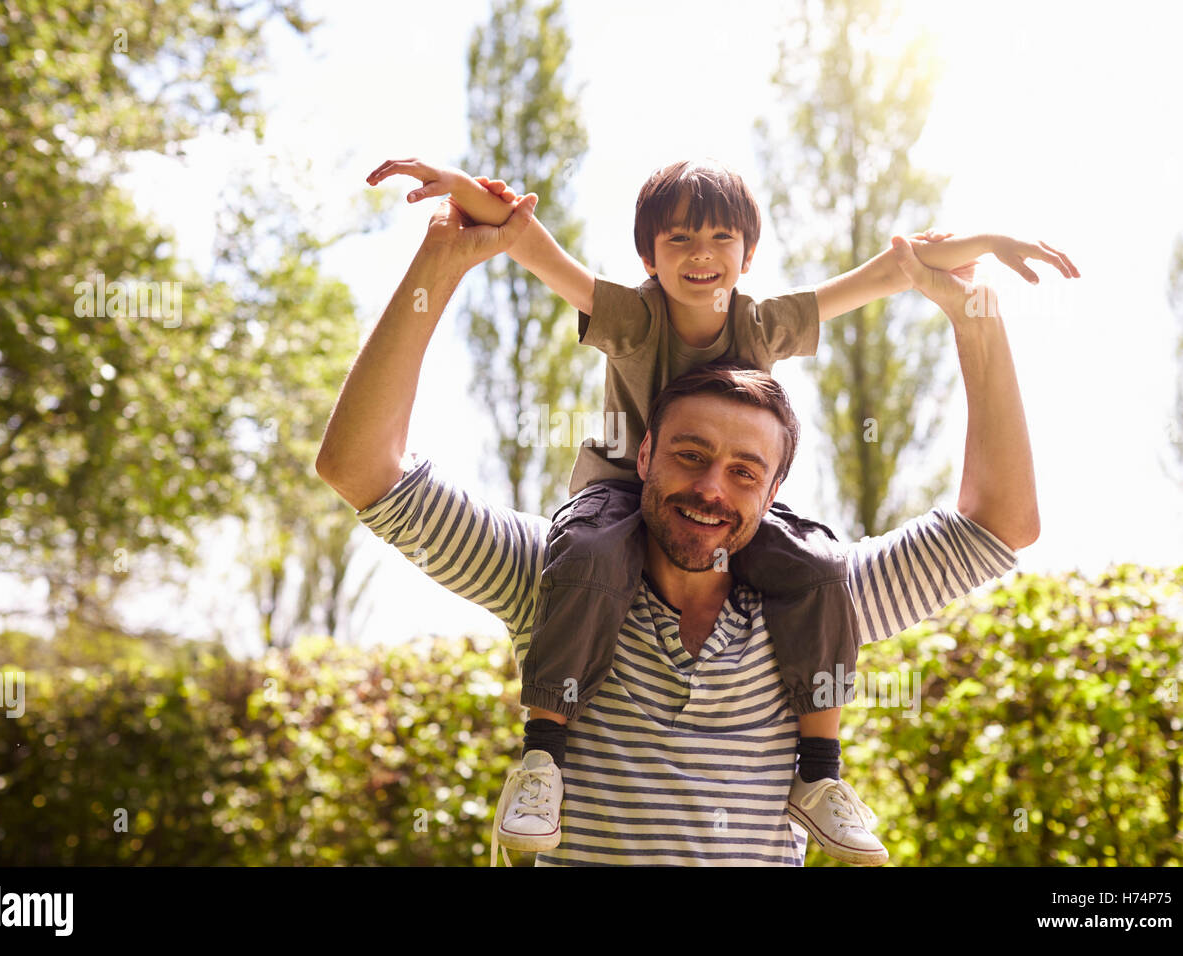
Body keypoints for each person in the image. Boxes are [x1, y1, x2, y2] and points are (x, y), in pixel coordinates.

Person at [363, 157, 1078, 863]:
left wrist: (985, 255)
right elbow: (530, 244)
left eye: (719, 241)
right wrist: (457, 220)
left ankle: (820, 771)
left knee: (822, 566)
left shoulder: (764, 328)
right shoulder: (630, 328)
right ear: (648, 255)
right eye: (678, 240)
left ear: (748, 253)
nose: (700, 257)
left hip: (764, 556)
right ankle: (542, 755)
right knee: (587, 558)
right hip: (610, 511)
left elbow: (895, 269)